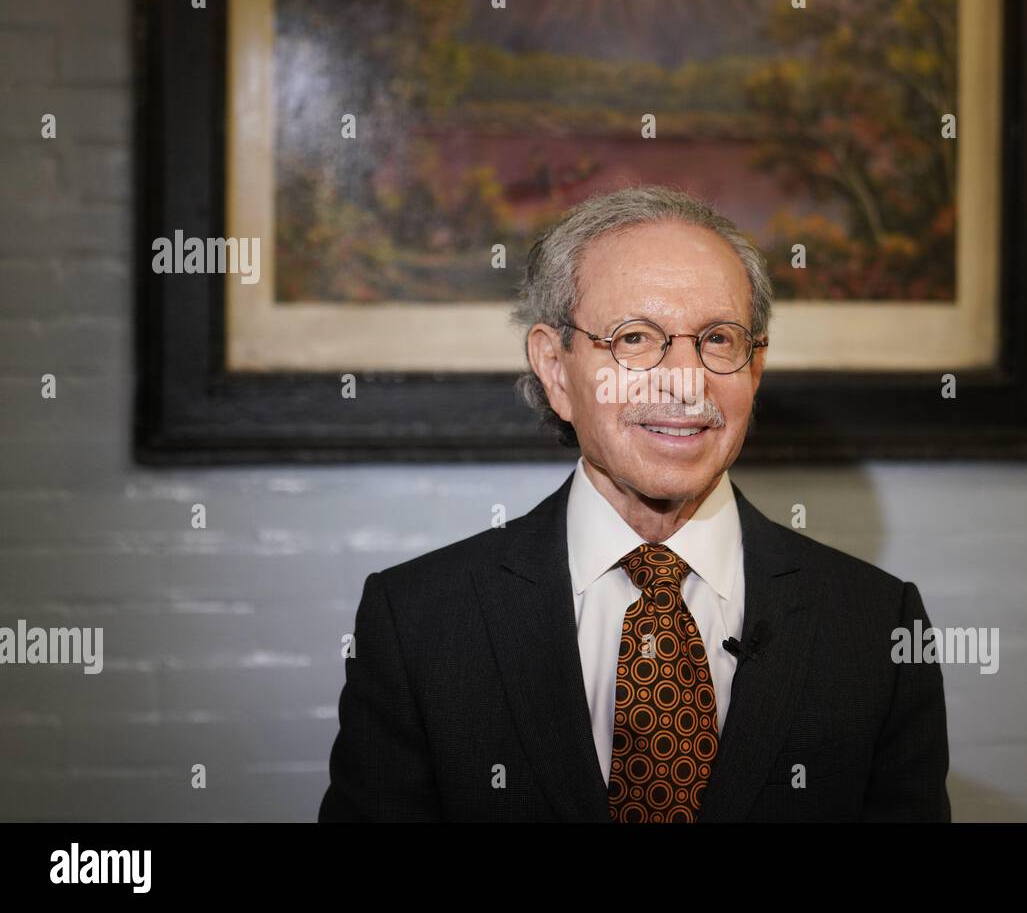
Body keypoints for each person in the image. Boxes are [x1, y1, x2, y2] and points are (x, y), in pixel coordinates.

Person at [319, 184, 951, 821]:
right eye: (635, 339)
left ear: (755, 371)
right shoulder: (420, 622)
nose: (685, 381)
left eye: (719, 339)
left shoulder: (876, 625)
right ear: (557, 369)